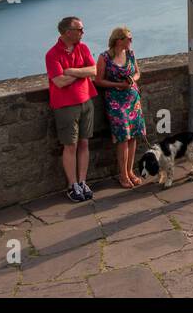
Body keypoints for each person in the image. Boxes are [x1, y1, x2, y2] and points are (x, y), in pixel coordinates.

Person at [45, 16, 98, 203]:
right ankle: (72, 185)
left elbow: (94, 71)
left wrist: (72, 71)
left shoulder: (83, 48)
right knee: (70, 146)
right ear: (68, 32)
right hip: (65, 105)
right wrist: (82, 71)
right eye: (80, 29)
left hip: (86, 101)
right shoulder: (52, 54)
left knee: (84, 143)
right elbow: (59, 82)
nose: (83, 32)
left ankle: (82, 181)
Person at [95, 26, 146, 189]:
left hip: (132, 99)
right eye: (128, 39)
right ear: (119, 40)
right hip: (115, 101)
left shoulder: (131, 54)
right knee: (123, 137)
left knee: (133, 136)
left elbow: (138, 73)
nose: (131, 41)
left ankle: (130, 171)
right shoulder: (104, 57)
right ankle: (122, 175)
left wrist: (132, 79)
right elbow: (99, 80)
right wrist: (118, 85)